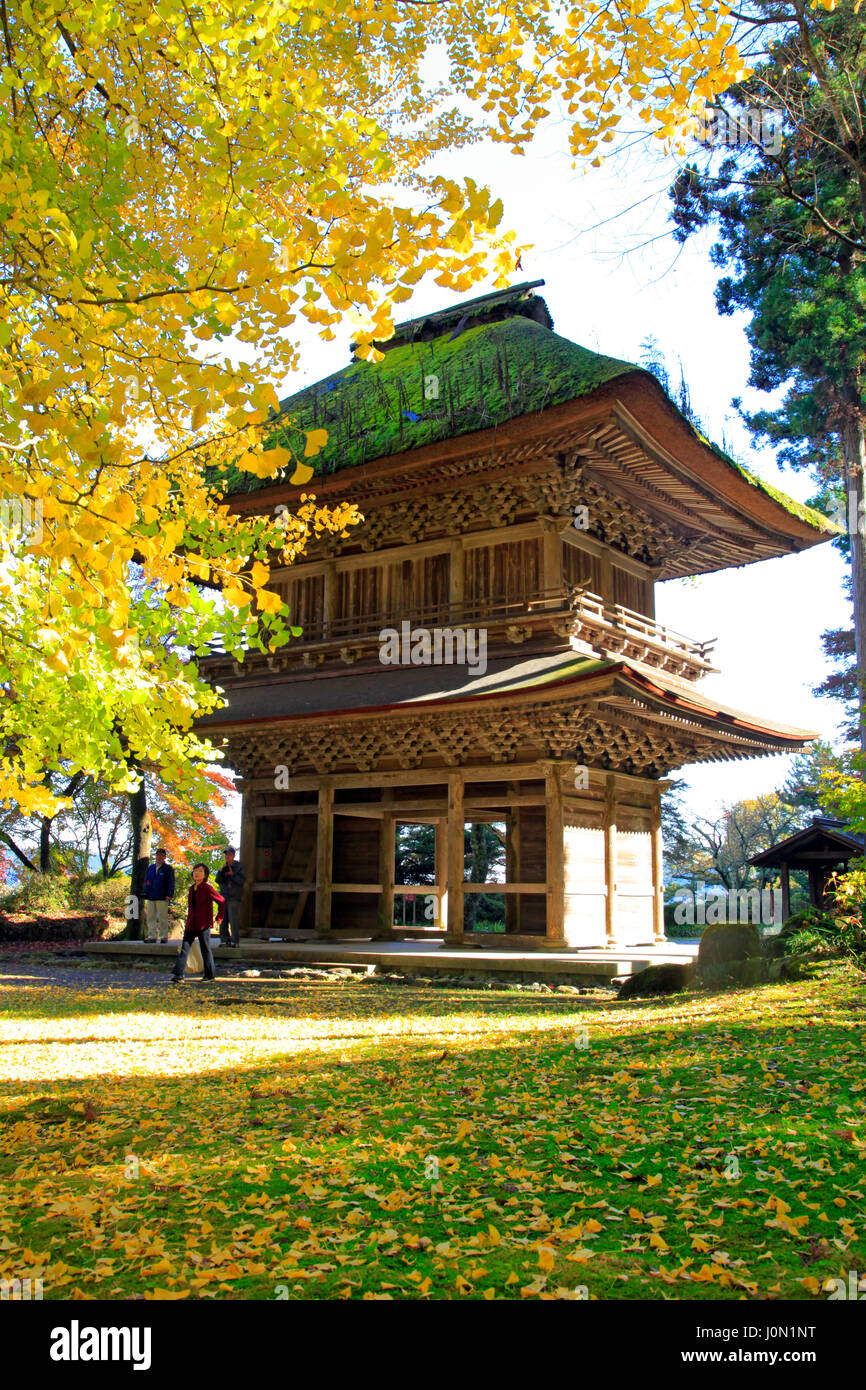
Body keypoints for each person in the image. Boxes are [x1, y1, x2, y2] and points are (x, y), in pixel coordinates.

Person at [170, 864, 224, 984]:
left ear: (205, 874)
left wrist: (219, 917)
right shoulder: (191, 888)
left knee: (205, 948)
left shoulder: (207, 888)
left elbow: (221, 901)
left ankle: (209, 975)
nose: (196, 873)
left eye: (200, 871)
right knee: (185, 948)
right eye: (195, 871)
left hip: (203, 923)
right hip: (191, 923)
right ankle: (178, 974)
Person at [215, 846, 246, 949]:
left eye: (229, 854)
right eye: (226, 855)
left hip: (234, 896)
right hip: (224, 896)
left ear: (233, 855)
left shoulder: (239, 867)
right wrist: (220, 871)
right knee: (223, 919)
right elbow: (218, 880)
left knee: (233, 920)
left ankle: (234, 940)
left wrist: (232, 875)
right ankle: (224, 940)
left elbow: (241, 881)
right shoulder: (224, 867)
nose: (227, 856)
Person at [143, 848, 175, 943]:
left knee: (162, 917)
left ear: (164, 857)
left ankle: (163, 936)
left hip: (162, 896)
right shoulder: (151, 868)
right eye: (157, 855)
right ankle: (152, 936)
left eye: (161, 855)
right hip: (151, 896)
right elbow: (147, 881)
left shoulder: (168, 869)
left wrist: (169, 894)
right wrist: (146, 891)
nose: (159, 857)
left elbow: (171, 882)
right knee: (150, 916)